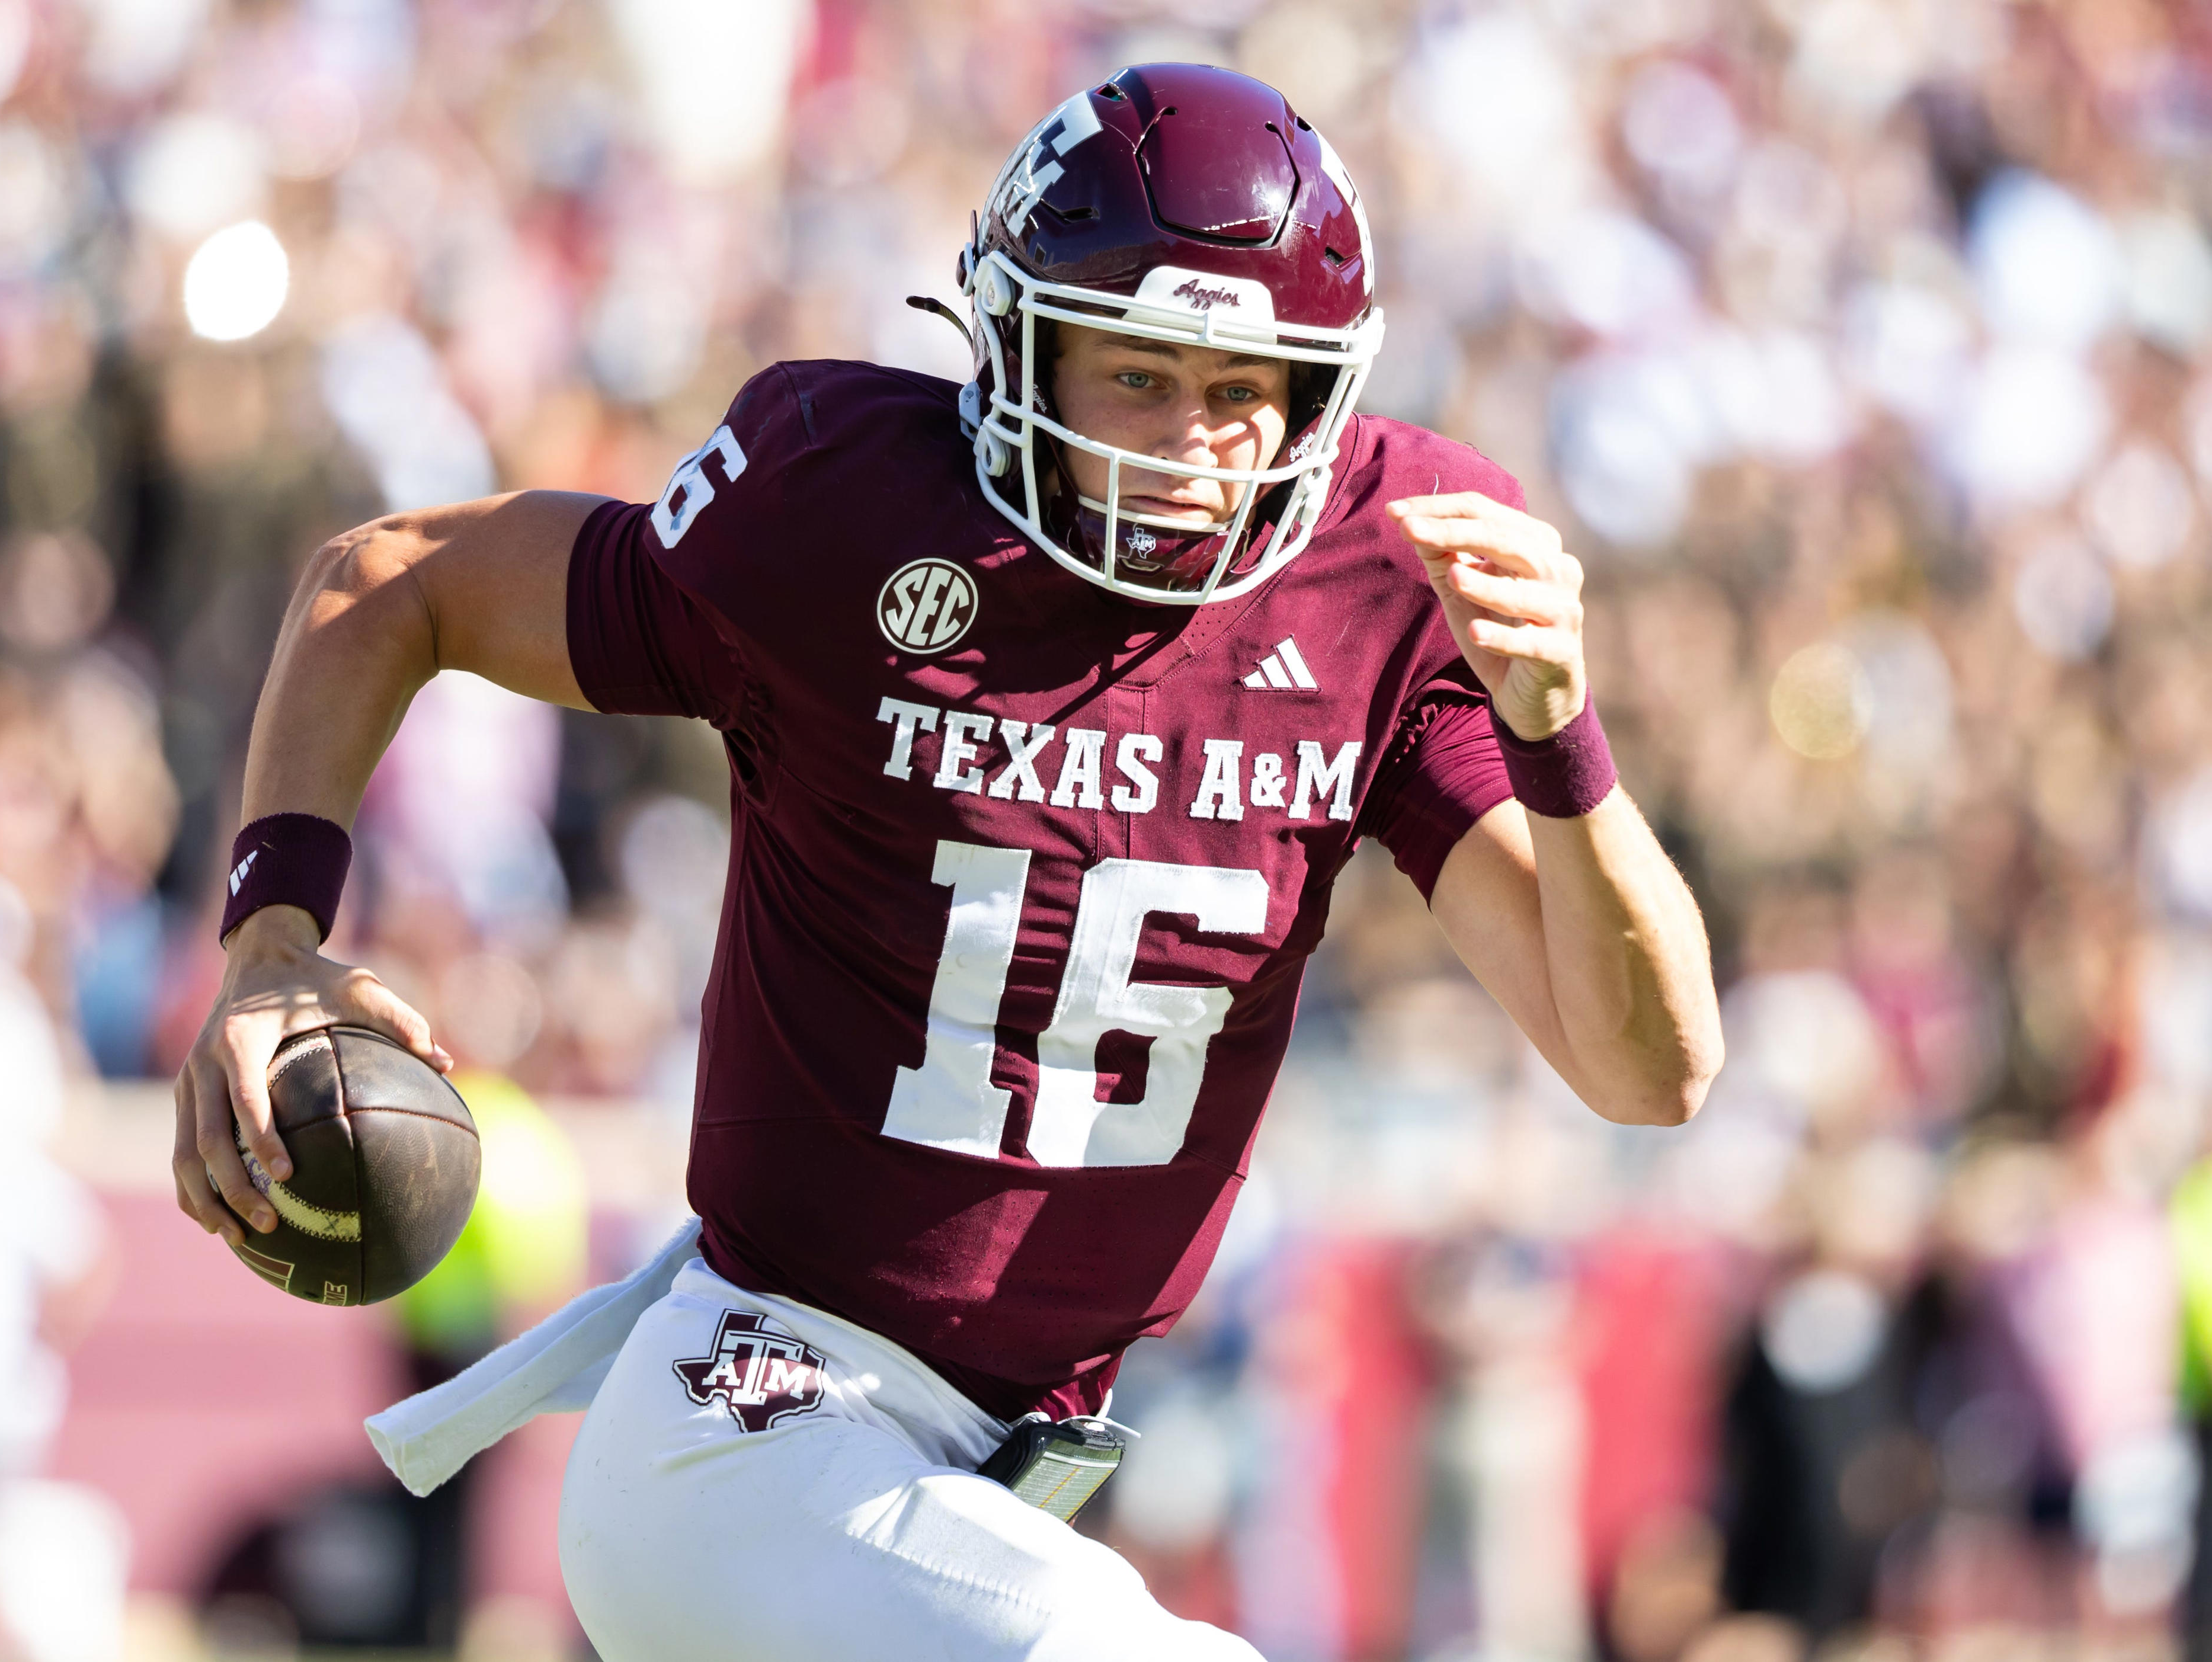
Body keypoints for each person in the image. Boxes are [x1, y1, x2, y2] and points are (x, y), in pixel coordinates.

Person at [172, 63, 1723, 1661]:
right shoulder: (844, 514)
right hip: (750, 1423)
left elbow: (1648, 1069)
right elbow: (391, 582)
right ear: (1016, 345)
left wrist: (1562, 746)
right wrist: (270, 937)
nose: (1195, 446)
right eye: (1139, 376)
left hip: (972, 1487)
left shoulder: (1383, 583)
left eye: (1243, 387)